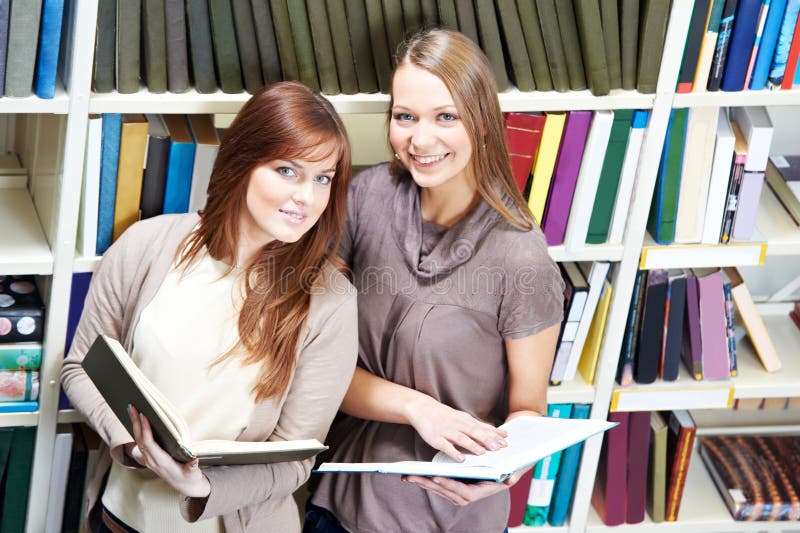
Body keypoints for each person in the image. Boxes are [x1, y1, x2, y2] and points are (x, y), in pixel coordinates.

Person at [61, 81, 358, 533]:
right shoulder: (147, 244)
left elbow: (297, 460)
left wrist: (201, 486)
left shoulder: (329, 301)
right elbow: (79, 367)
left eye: (323, 178)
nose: (308, 197)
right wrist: (132, 447)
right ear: (242, 161)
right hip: (118, 520)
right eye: (287, 171)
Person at [307, 29, 565, 533]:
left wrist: (504, 472)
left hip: (447, 513)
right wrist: (419, 408)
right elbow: (320, 361)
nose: (420, 140)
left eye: (445, 117)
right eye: (405, 117)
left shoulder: (522, 257)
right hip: (340, 501)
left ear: (484, 124)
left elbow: (529, 410)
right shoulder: (366, 197)